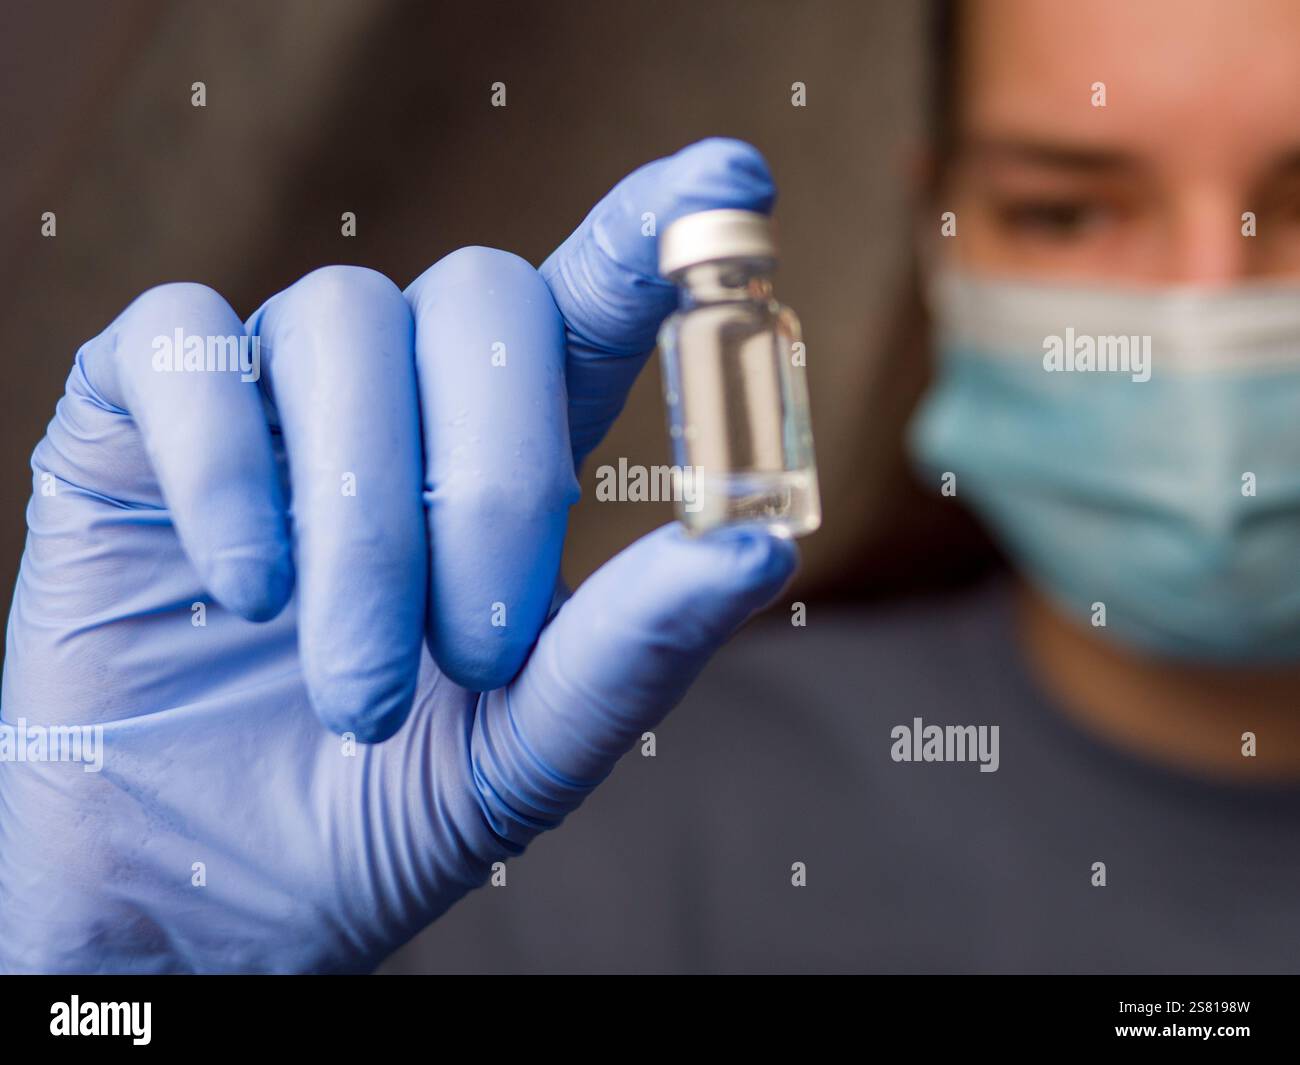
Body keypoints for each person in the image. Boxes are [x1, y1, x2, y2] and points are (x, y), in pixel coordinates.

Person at [4, 0, 1300, 974]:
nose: (1201, 310)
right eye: (1066, 213)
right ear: (938, 233)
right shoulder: (590, 801)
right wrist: (109, 979)